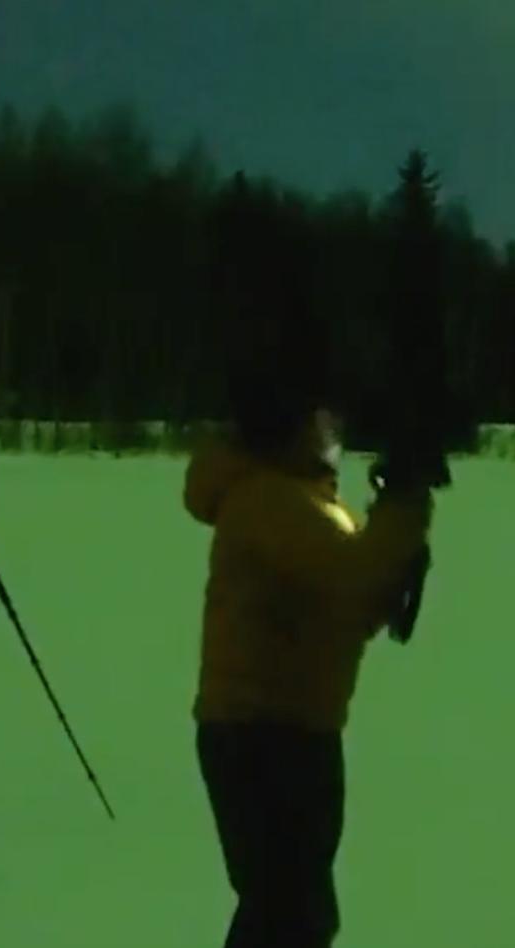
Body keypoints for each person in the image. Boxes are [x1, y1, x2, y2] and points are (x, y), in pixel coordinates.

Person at [181, 373, 438, 948]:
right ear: (288, 429)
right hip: (265, 734)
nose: (334, 434)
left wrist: (394, 558)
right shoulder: (270, 500)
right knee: (289, 912)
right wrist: (403, 501)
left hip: (287, 728)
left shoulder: (298, 500)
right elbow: (353, 573)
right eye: (323, 421)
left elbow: (342, 603)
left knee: (290, 910)